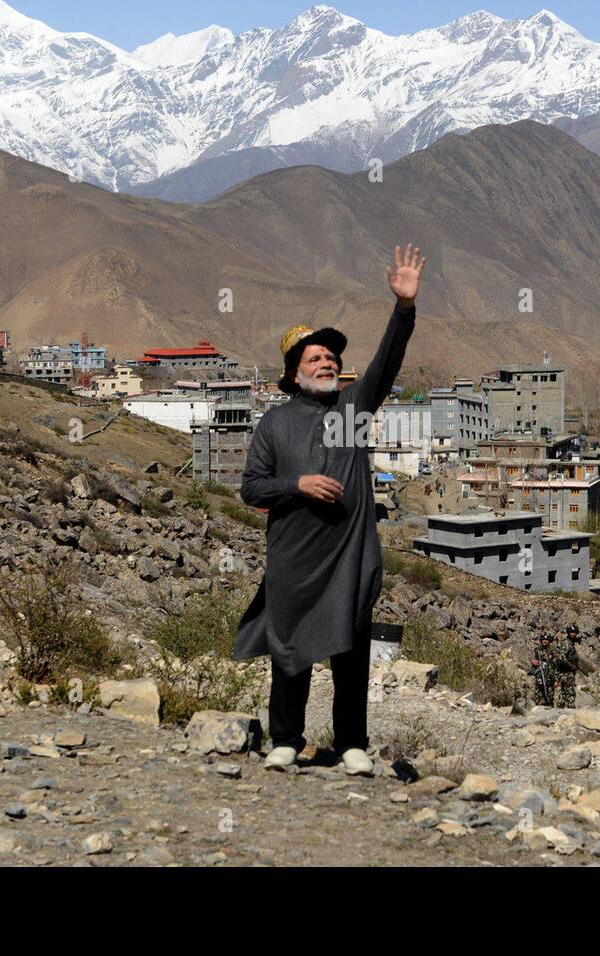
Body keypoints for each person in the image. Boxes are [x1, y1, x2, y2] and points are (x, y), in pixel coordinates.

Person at [234, 243, 427, 775]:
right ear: (294, 372)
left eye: (332, 358)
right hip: (294, 556)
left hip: (348, 554)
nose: (328, 363)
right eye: (315, 358)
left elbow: (387, 361)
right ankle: (286, 739)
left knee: (350, 649)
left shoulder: (353, 409)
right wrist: (297, 484)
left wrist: (403, 309)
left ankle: (352, 745)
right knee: (289, 649)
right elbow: (252, 488)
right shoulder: (274, 425)